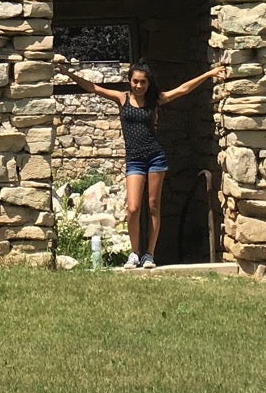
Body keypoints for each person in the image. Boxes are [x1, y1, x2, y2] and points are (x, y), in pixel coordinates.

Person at [55, 54, 223, 269]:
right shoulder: (122, 98)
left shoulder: (154, 100)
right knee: (133, 208)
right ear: (129, 81)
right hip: (134, 160)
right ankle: (134, 253)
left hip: (155, 158)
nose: (139, 85)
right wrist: (68, 73)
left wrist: (209, 73)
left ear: (148, 83)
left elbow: (182, 90)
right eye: (135, 81)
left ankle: (149, 254)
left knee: (153, 205)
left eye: (143, 82)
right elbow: (93, 87)